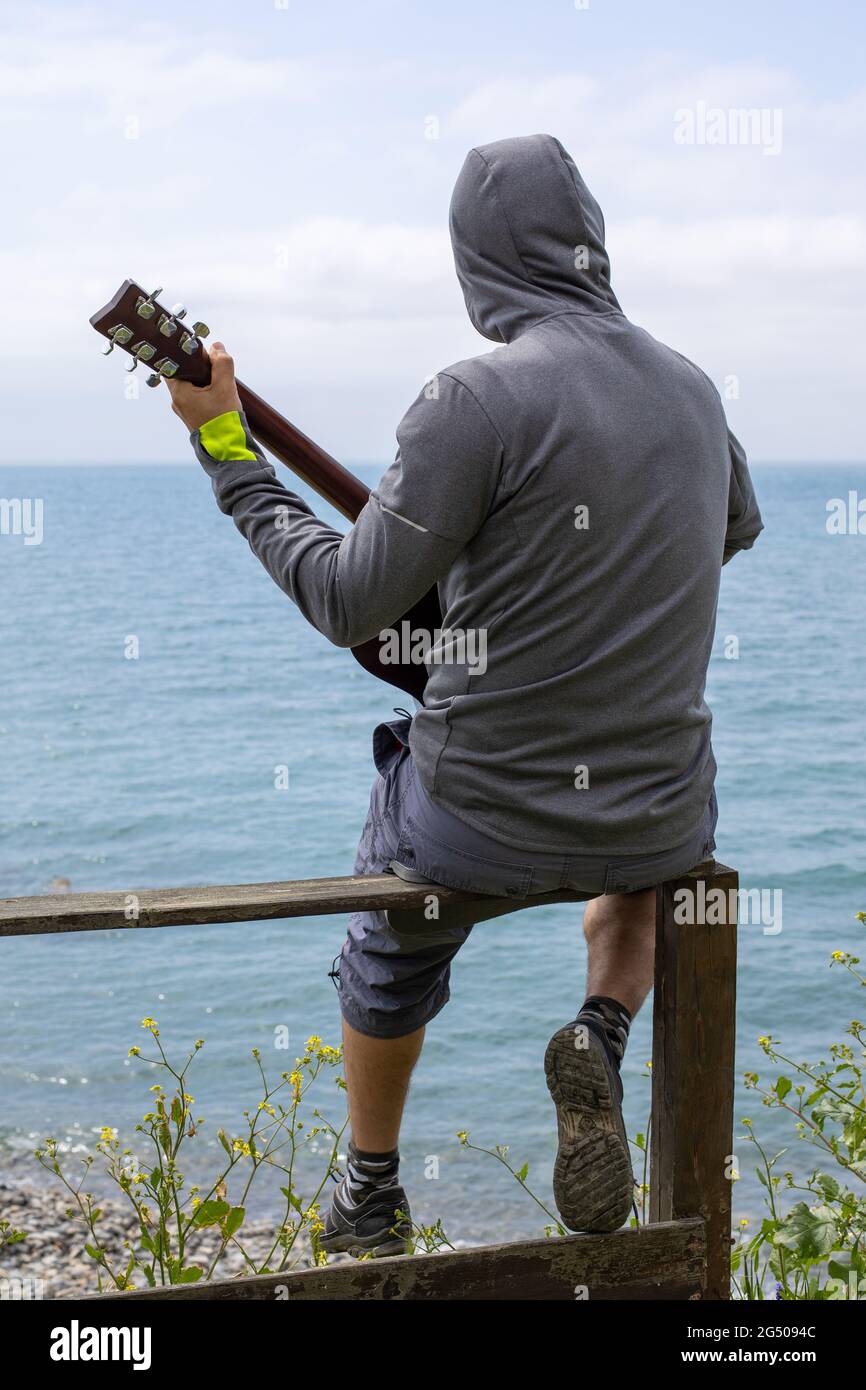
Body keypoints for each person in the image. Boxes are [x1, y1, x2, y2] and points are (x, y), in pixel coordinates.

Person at [165, 133, 763, 1258]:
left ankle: (370, 1190)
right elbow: (725, 529)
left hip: (473, 821)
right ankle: (596, 1028)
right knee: (643, 869)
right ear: (592, 243)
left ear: (473, 261)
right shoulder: (689, 390)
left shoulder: (471, 398)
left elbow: (347, 601)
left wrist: (227, 448)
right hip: (656, 810)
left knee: (389, 936)